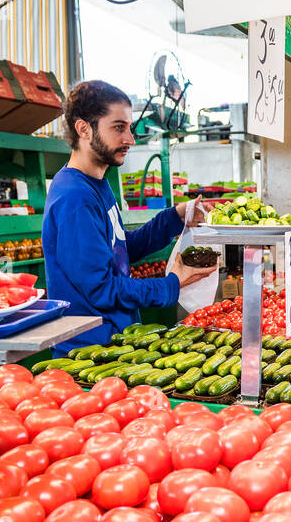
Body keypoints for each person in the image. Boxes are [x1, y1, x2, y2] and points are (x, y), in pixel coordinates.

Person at [44, 81, 217, 357]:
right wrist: (172, 283)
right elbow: (100, 289)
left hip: (114, 341)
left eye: (128, 128)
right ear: (83, 128)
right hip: (89, 354)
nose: (130, 139)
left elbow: (120, 249)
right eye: (118, 127)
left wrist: (174, 217)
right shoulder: (74, 198)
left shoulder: (96, 183)